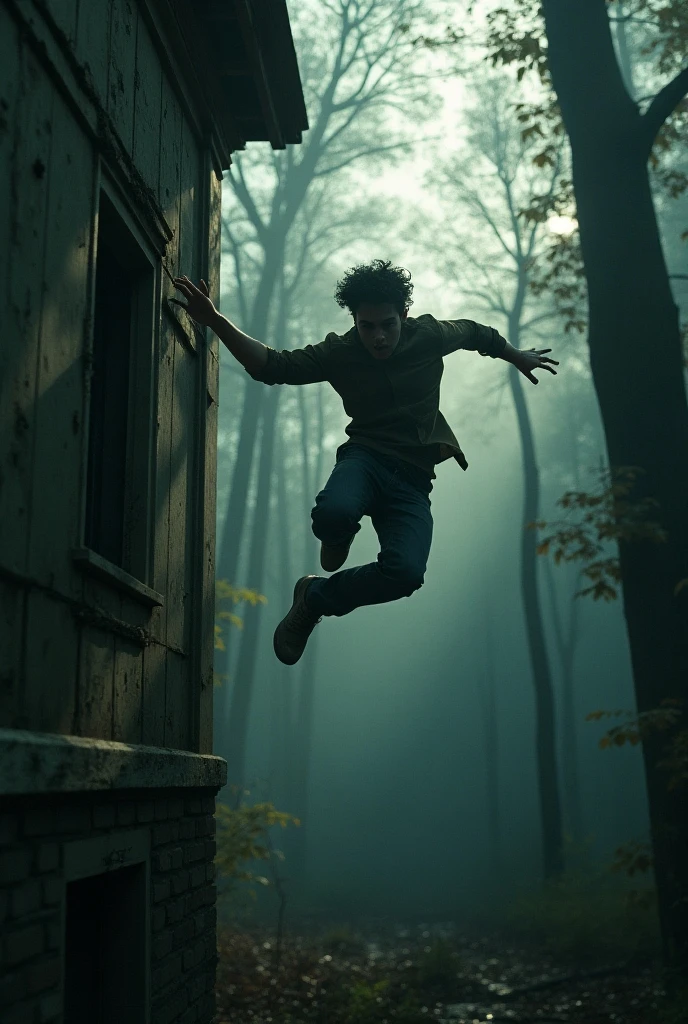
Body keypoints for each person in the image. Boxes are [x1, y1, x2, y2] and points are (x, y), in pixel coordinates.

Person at [172, 260, 557, 666]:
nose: (378, 336)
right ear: (354, 320)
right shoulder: (341, 352)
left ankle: (314, 598)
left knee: (406, 573)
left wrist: (515, 355)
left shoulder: (429, 335)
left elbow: (476, 333)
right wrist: (214, 320)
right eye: (367, 325)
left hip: (412, 481)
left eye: (387, 324)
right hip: (366, 459)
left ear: (404, 317)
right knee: (333, 514)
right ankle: (338, 531)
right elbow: (273, 366)